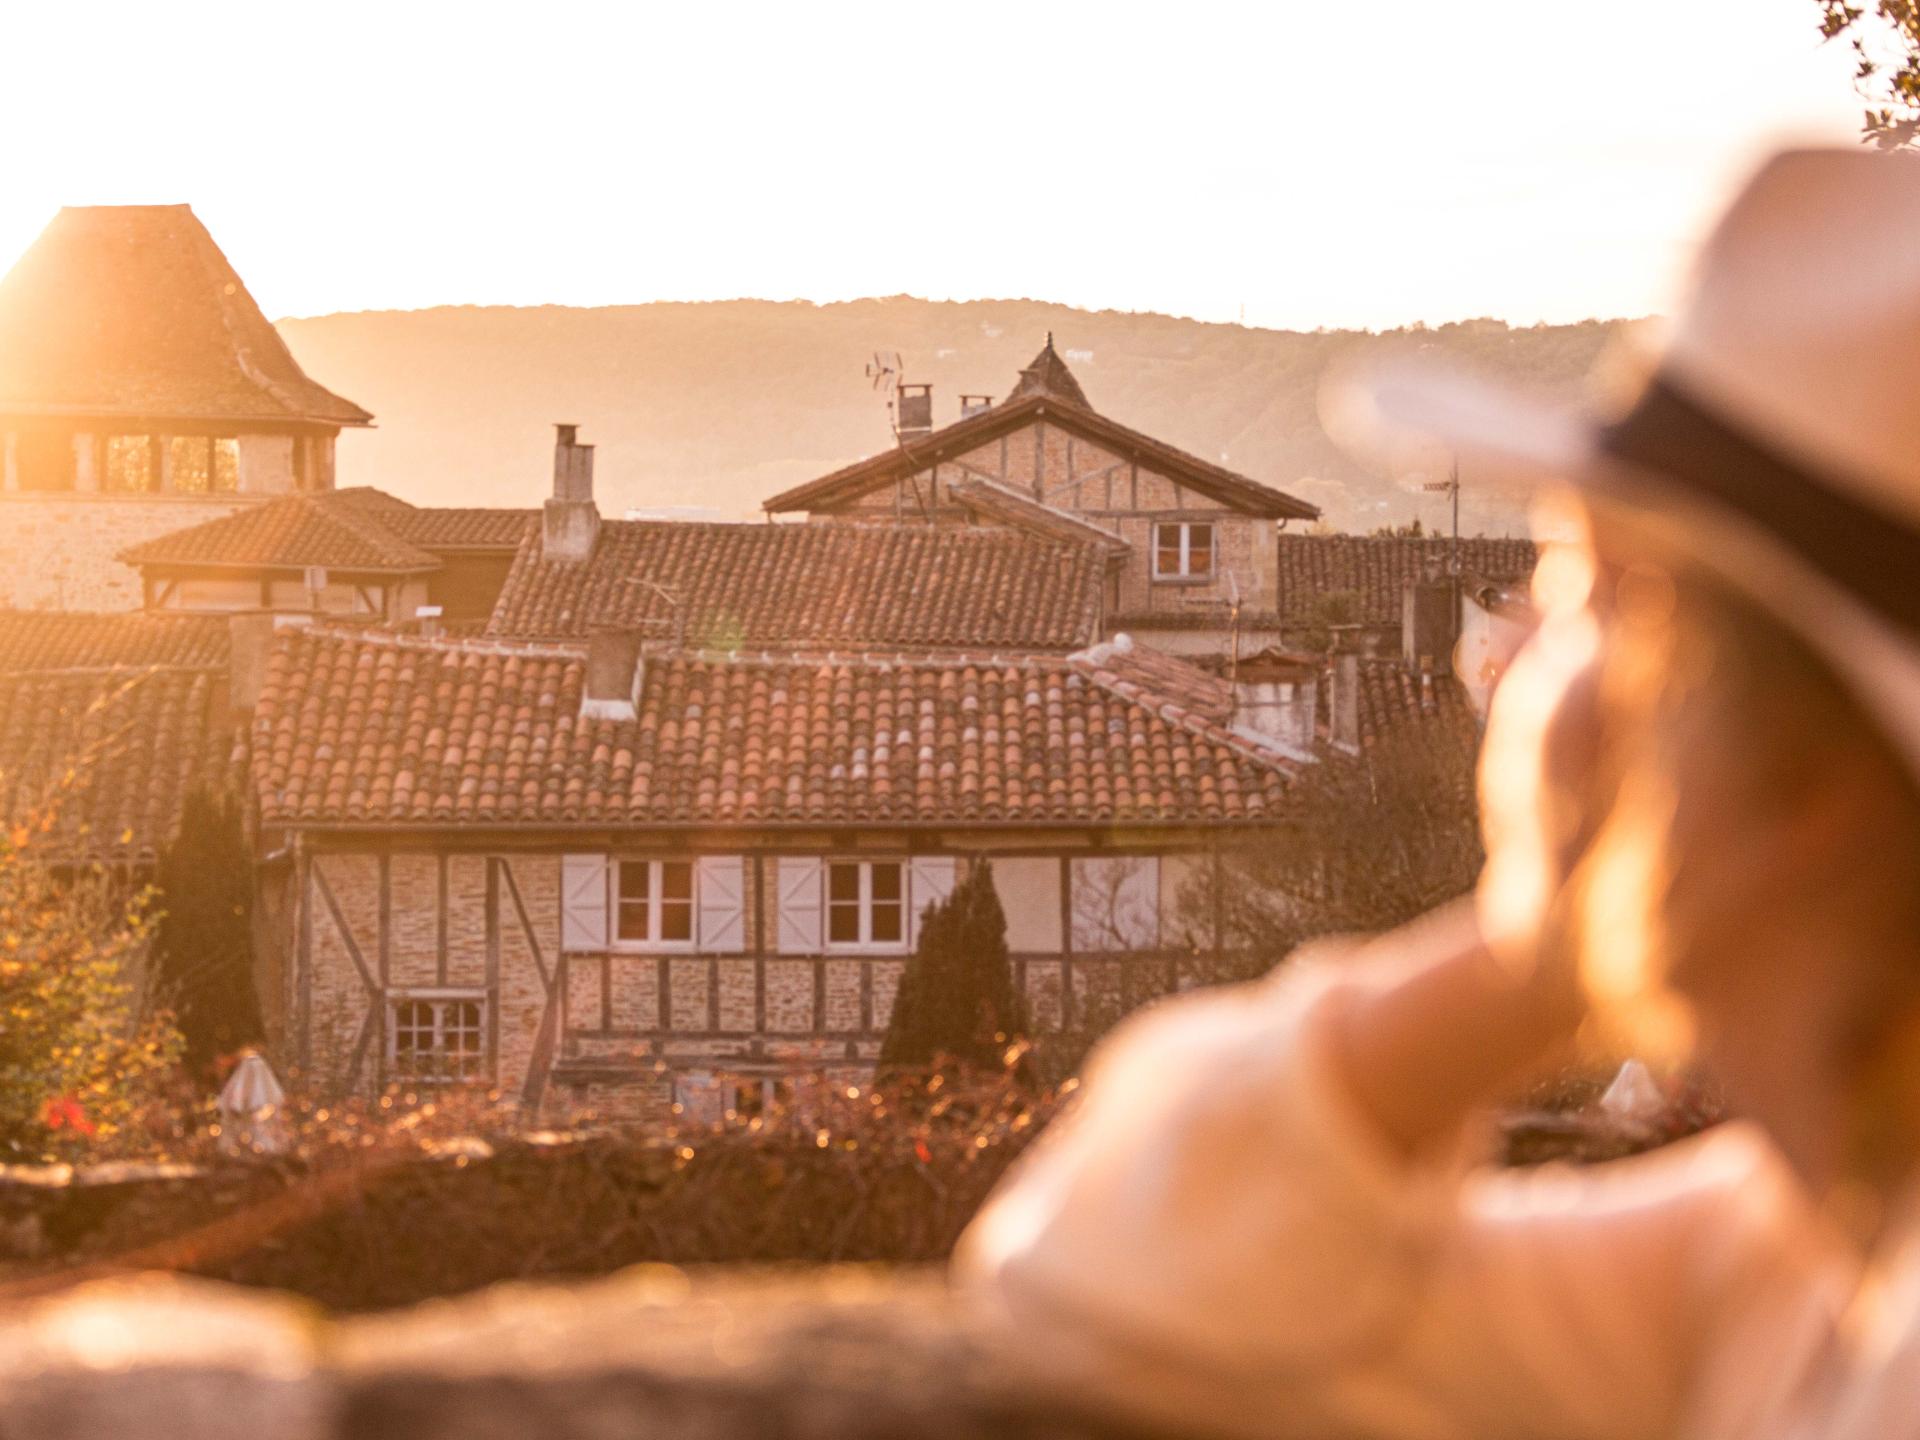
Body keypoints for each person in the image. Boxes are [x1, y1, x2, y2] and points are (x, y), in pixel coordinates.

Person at [954, 148, 1920, 1440]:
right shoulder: (1792, 1262)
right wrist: (1560, 935)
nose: (1505, 660)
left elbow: (1106, 1269)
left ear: (1811, 793)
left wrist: (1571, 918)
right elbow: (1110, 1275)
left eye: (1590, 594)